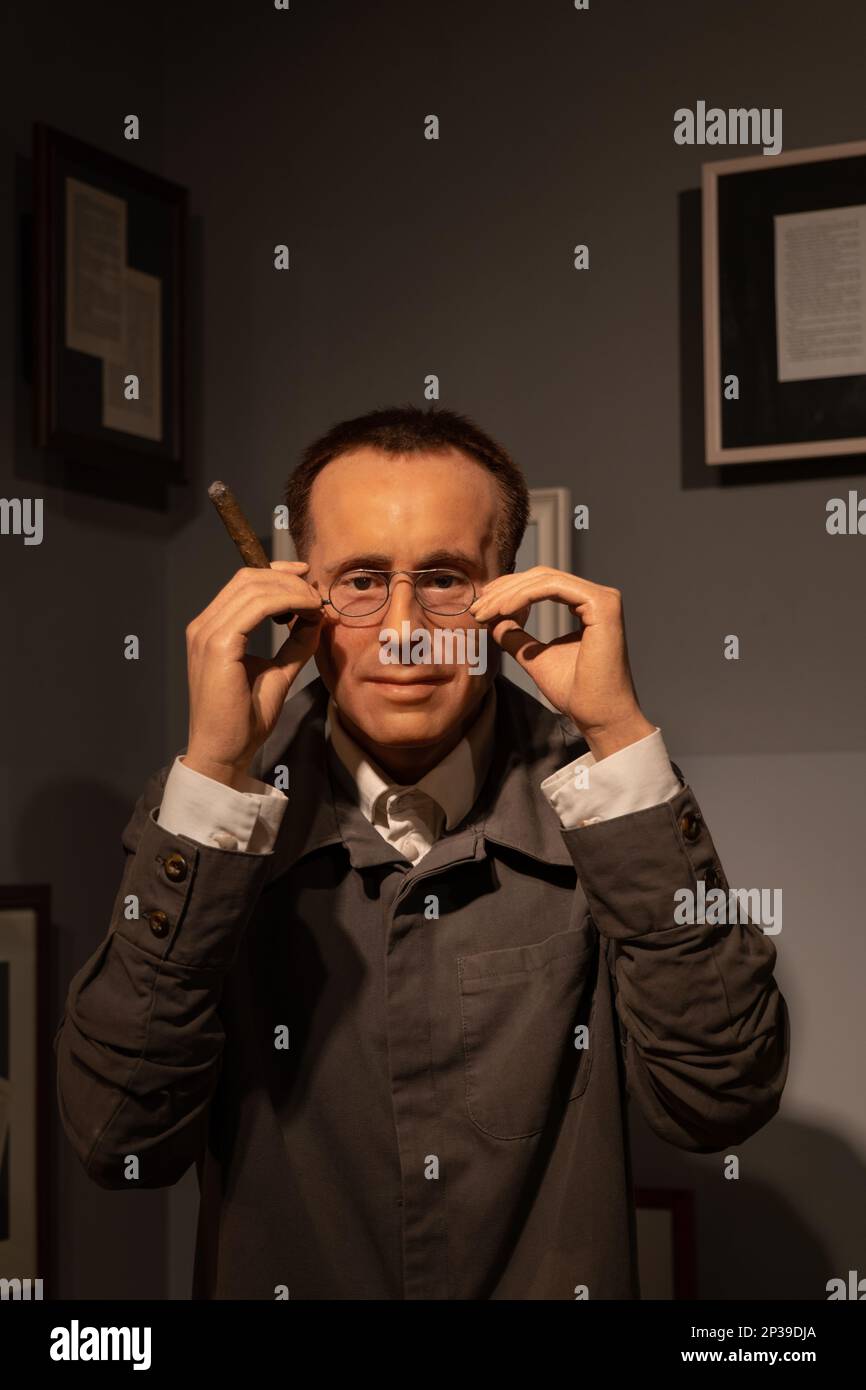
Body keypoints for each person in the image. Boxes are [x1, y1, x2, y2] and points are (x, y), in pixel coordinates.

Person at [55, 404, 789, 1300]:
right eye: (361, 580)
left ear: (505, 596)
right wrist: (211, 774)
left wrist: (621, 736)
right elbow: (118, 1140)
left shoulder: (606, 806)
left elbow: (722, 1102)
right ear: (298, 597)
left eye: (444, 580)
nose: (403, 629)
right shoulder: (214, 822)